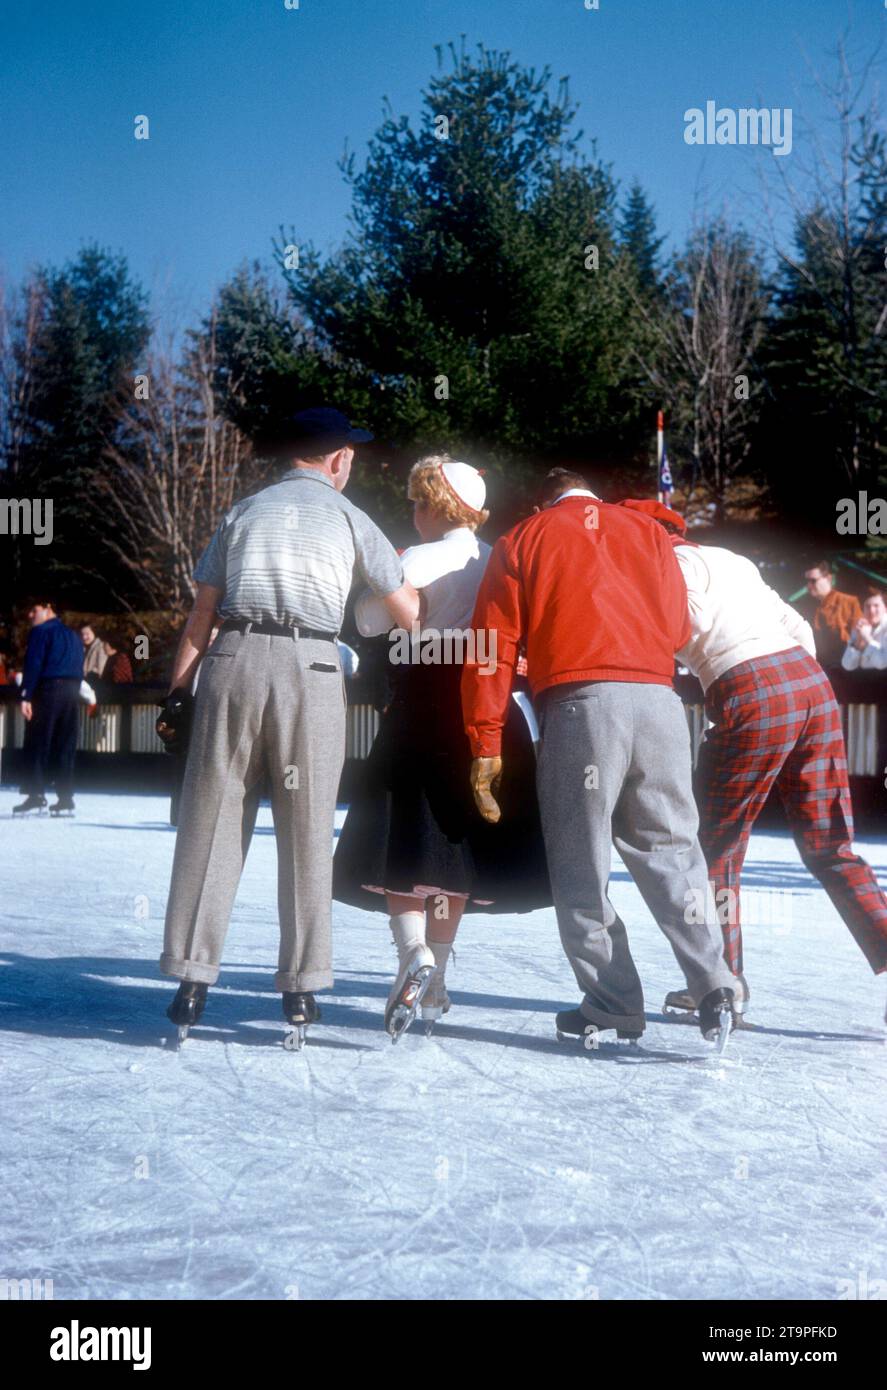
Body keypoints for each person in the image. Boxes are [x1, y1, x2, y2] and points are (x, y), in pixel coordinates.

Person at [158, 406, 419, 1044]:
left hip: (232, 658)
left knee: (212, 818)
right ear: (338, 459)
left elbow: (202, 615)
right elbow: (408, 612)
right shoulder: (352, 517)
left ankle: (192, 980)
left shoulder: (243, 512)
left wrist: (177, 690)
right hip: (312, 666)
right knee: (305, 829)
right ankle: (301, 990)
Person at [461, 468, 737, 1047]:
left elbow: (492, 646)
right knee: (674, 851)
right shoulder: (649, 532)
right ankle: (715, 985)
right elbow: (677, 624)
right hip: (661, 705)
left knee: (580, 861)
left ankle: (613, 1003)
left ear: (546, 498)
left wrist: (485, 740)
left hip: (582, 707)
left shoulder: (523, 539)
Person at [625, 500, 887, 1011]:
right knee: (832, 844)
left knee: (712, 848)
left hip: (748, 686)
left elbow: (686, 622)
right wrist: (791, 689)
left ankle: (724, 985)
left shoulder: (664, 565)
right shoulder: (730, 557)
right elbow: (799, 628)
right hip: (810, 682)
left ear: (646, 537)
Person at [334, 455, 550, 1039]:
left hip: (424, 705)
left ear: (435, 505)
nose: (412, 511)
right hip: (491, 709)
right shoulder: (499, 559)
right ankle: (440, 982)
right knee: (452, 846)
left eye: (416, 501)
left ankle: (415, 957)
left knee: (402, 839)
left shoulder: (417, 558)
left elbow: (370, 622)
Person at [13, 597, 84, 816]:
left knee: (37, 741)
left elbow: (33, 663)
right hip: (72, 691)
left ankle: (35, 795)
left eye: (34, 610)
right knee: (65, 743)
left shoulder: (41, 632)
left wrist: (26, 695)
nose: (30, 615)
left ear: (48, 608)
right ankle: (65, 798)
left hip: (48, 689)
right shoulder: (72, 635)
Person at [796, 561, 862, 668]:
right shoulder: (804, 606)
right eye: (807, 581)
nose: (809, 585)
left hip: (843, 664)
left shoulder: (849, 602)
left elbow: (858, 639)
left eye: (813, 581)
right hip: (816, 664)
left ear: (828, 579)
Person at [841, 592, 887, 672]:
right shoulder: (861, 625)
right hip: (861, 677)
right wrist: (858, 641)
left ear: (885, 608)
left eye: (876, 606)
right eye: (867, 606)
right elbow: (847, 665)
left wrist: (867, 638)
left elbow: (882, 664)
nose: (871, 611)